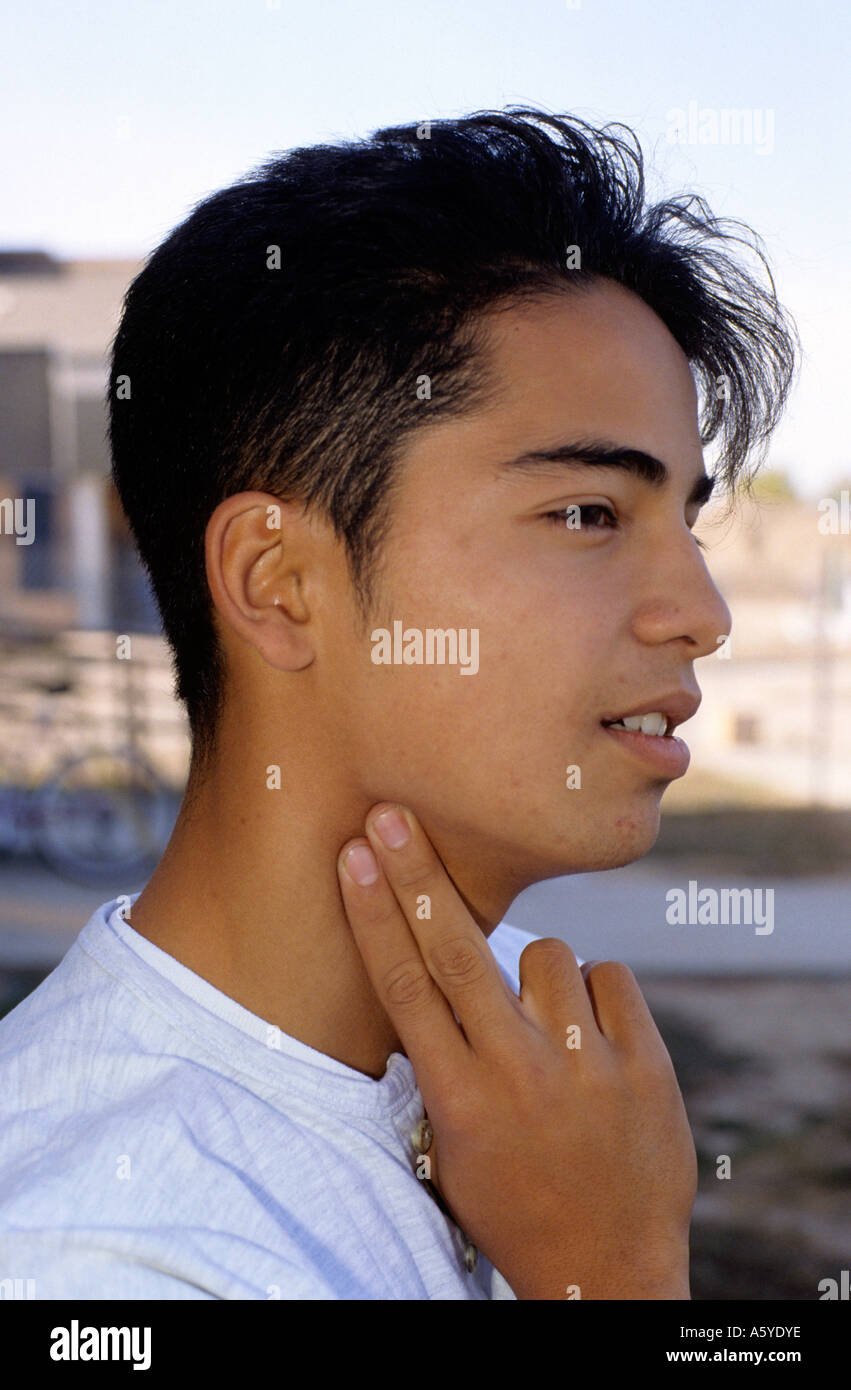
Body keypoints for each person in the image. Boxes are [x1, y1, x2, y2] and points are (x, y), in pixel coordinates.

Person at [0, 107, 797, 1299]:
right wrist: (618, 1275)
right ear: (278, 583)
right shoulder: (109, 1258)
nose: (700, 610)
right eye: (586, 513)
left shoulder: (527, 1046)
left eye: (683, 517)